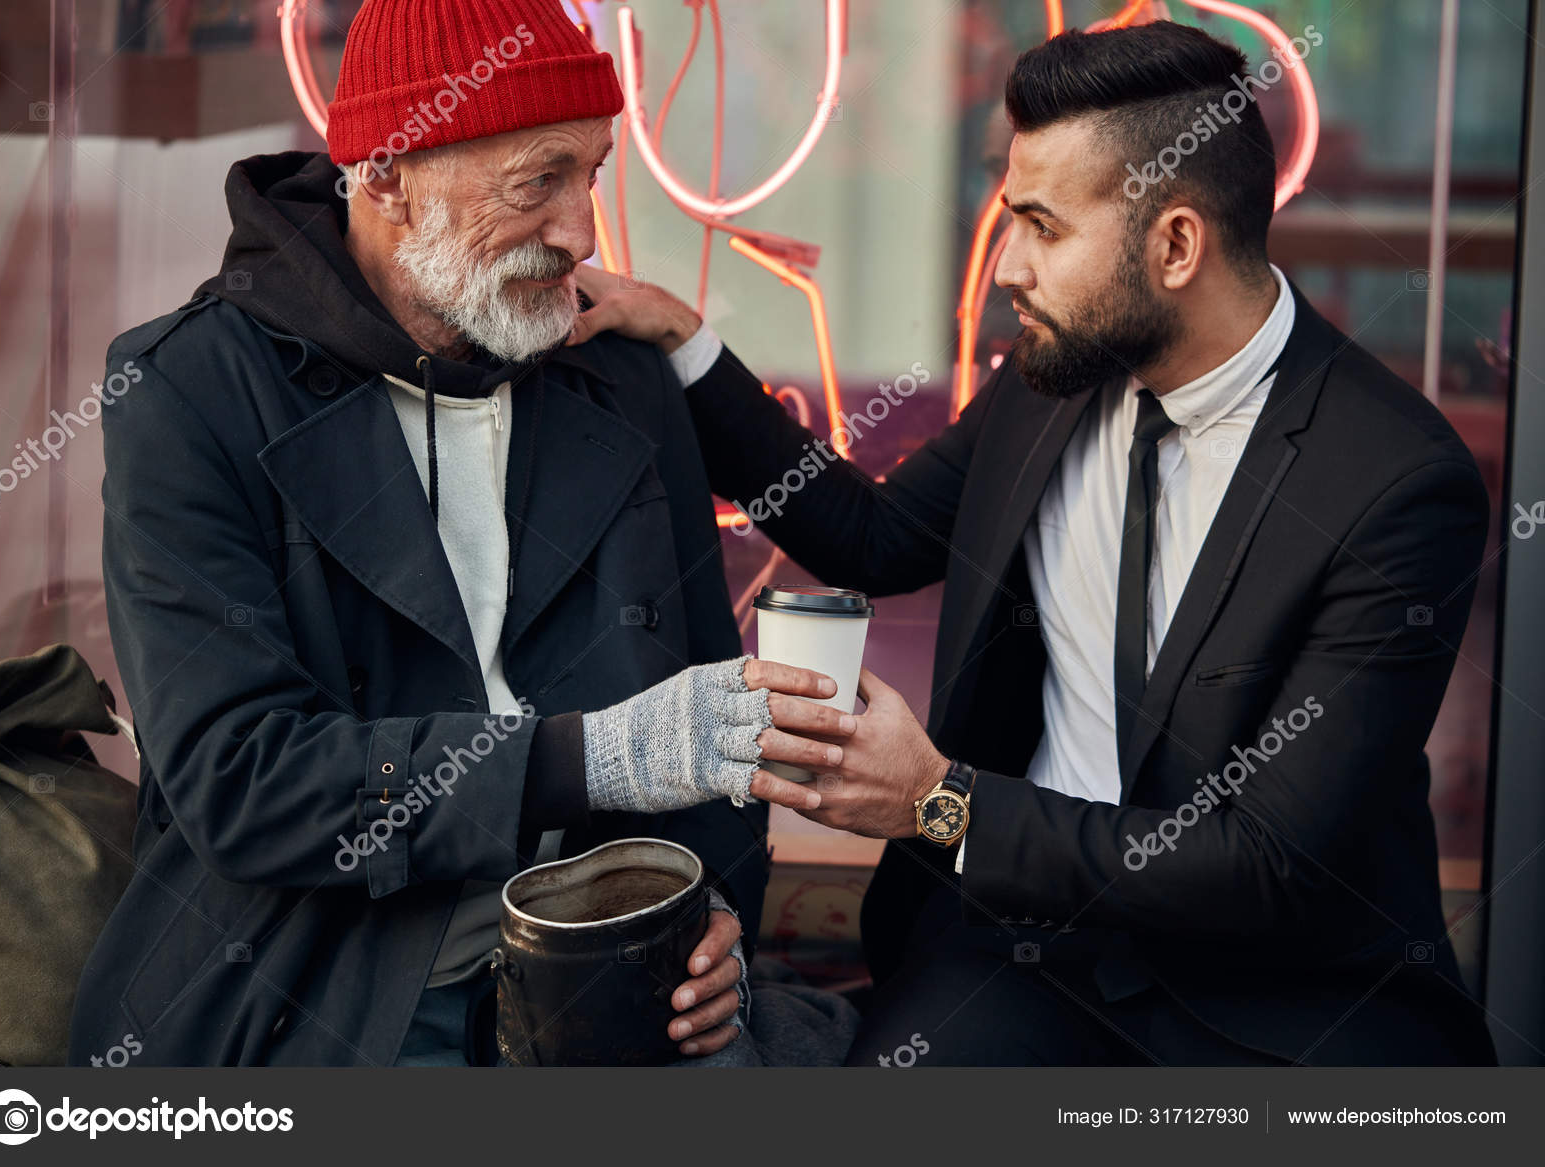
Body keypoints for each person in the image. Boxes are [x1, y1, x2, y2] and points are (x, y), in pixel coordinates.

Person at [572, 22, 1499, 1066]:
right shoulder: (1049, 380)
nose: (1005, 266)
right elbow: (870, 538)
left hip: (1277, 1001)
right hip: (1022, 948)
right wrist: (684, 345)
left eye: (1041, 228)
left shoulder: (1394, 481)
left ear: (1176, 245)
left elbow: (1272, 868)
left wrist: (937, 800)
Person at [69, 0, 840, 1068]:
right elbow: (237, 780)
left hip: (621, 971)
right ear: (386, 176)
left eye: (594, 173)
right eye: (538, 181)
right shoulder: (192, 390)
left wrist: (714, 934)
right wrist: (592, 759)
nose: (581, 233)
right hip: (321, 977)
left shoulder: (616, 381)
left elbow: (707, 720)